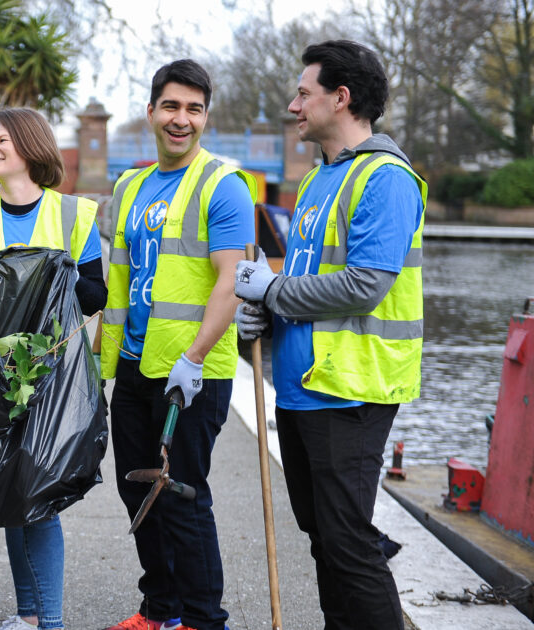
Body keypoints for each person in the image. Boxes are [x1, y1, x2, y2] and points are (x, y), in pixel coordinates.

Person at [234, 40, 424, 630]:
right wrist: (261, 316)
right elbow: (303, 280)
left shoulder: (386, 179)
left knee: (348, 542)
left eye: (303, 92)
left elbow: (364, 285)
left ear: (340, 99)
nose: (293, 105)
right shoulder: (319, 181)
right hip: (301, 386)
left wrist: (272, 292)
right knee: (324, 538)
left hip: (352, 391)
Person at [99, 59, 255, 630]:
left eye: (193, 109)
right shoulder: (130, 185)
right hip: (138, 365)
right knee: (135, 492)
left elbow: (230, 280)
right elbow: (118, 275)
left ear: (206, 117)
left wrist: (192, 359)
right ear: (150, 112)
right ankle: (159, 609)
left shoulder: (224, 186)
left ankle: (202, 620)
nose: (181, 119)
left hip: (191, 372)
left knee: (183, 499)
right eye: (171, 106)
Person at [0, 107, 106, 630]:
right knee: (12, 494)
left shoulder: (73, 215)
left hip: (48, 383)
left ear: (32, 145)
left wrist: (56, 273)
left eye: (1, 139)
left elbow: (94, 295)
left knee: (37, 496)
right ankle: (30, 616)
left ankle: (50, 622)